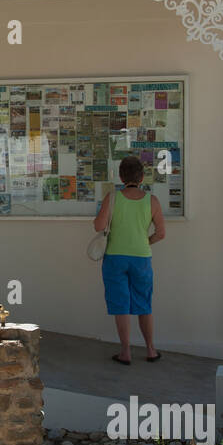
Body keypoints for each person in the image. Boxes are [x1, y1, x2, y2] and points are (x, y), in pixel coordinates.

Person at [92, 156, 166, 364]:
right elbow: (161, 233)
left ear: (121, 177)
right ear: (142, 177)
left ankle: (125, 352)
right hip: (141, 257)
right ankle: (151, 349)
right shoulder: (152, 201)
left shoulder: (112, 198)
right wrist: (144, 242)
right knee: (144, 304)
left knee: (121, 305)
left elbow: (98, 227)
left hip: (115, 257)